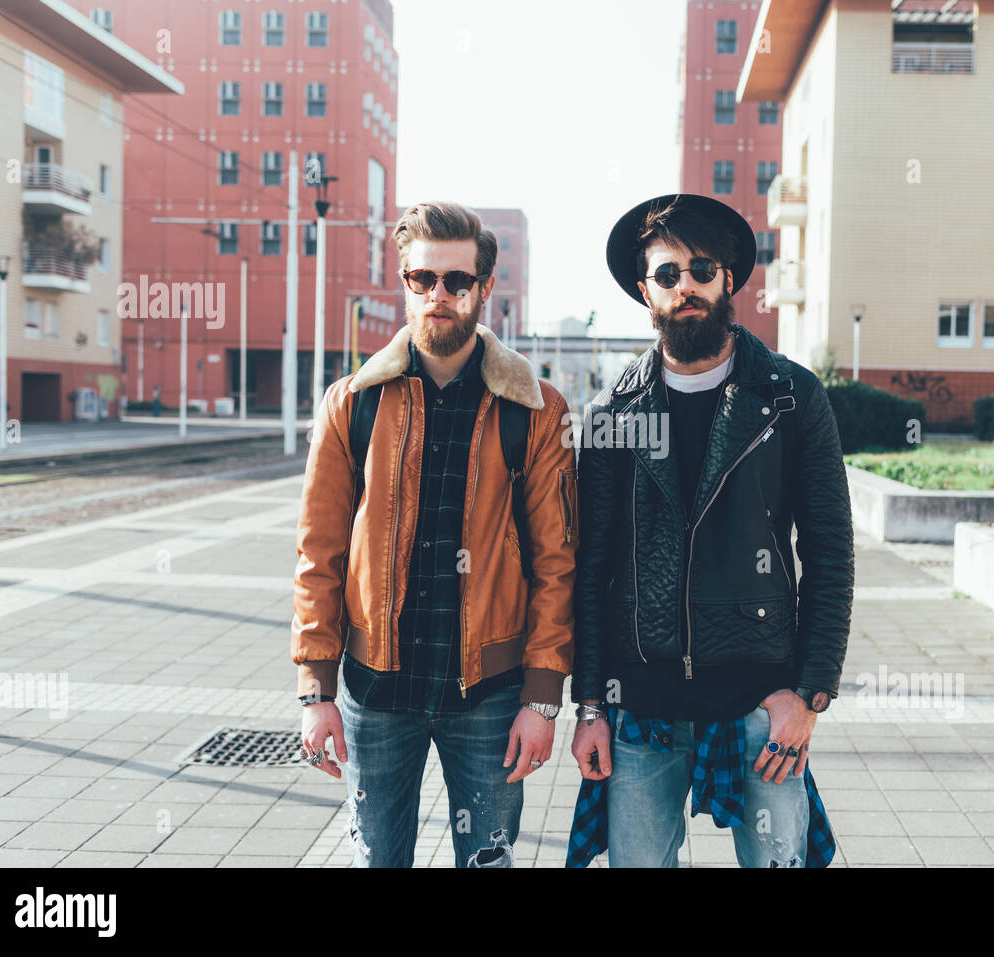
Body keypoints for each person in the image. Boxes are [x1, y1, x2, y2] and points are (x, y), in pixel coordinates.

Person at [567, 193, 854, 868]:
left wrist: (809, 694)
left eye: (701, 268)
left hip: (763, 702)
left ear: (728, 279)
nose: (685, 285)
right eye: (668, 273)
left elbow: (831, 554)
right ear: (646, 290)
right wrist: (589, 702)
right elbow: (592, 565)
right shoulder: (614, 410)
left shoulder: (790, 396)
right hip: (641, 706)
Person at [292, 201, 577, 867]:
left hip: (490, 698)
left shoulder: (534, 409)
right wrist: (316, 691)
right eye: (424, 279)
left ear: (483, 289)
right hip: (375, 692)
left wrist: (543, 698)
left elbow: (557, 562)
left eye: (457, 280)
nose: (439, 295)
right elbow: (318, 555)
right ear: (405, 283)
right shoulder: (352, 403)